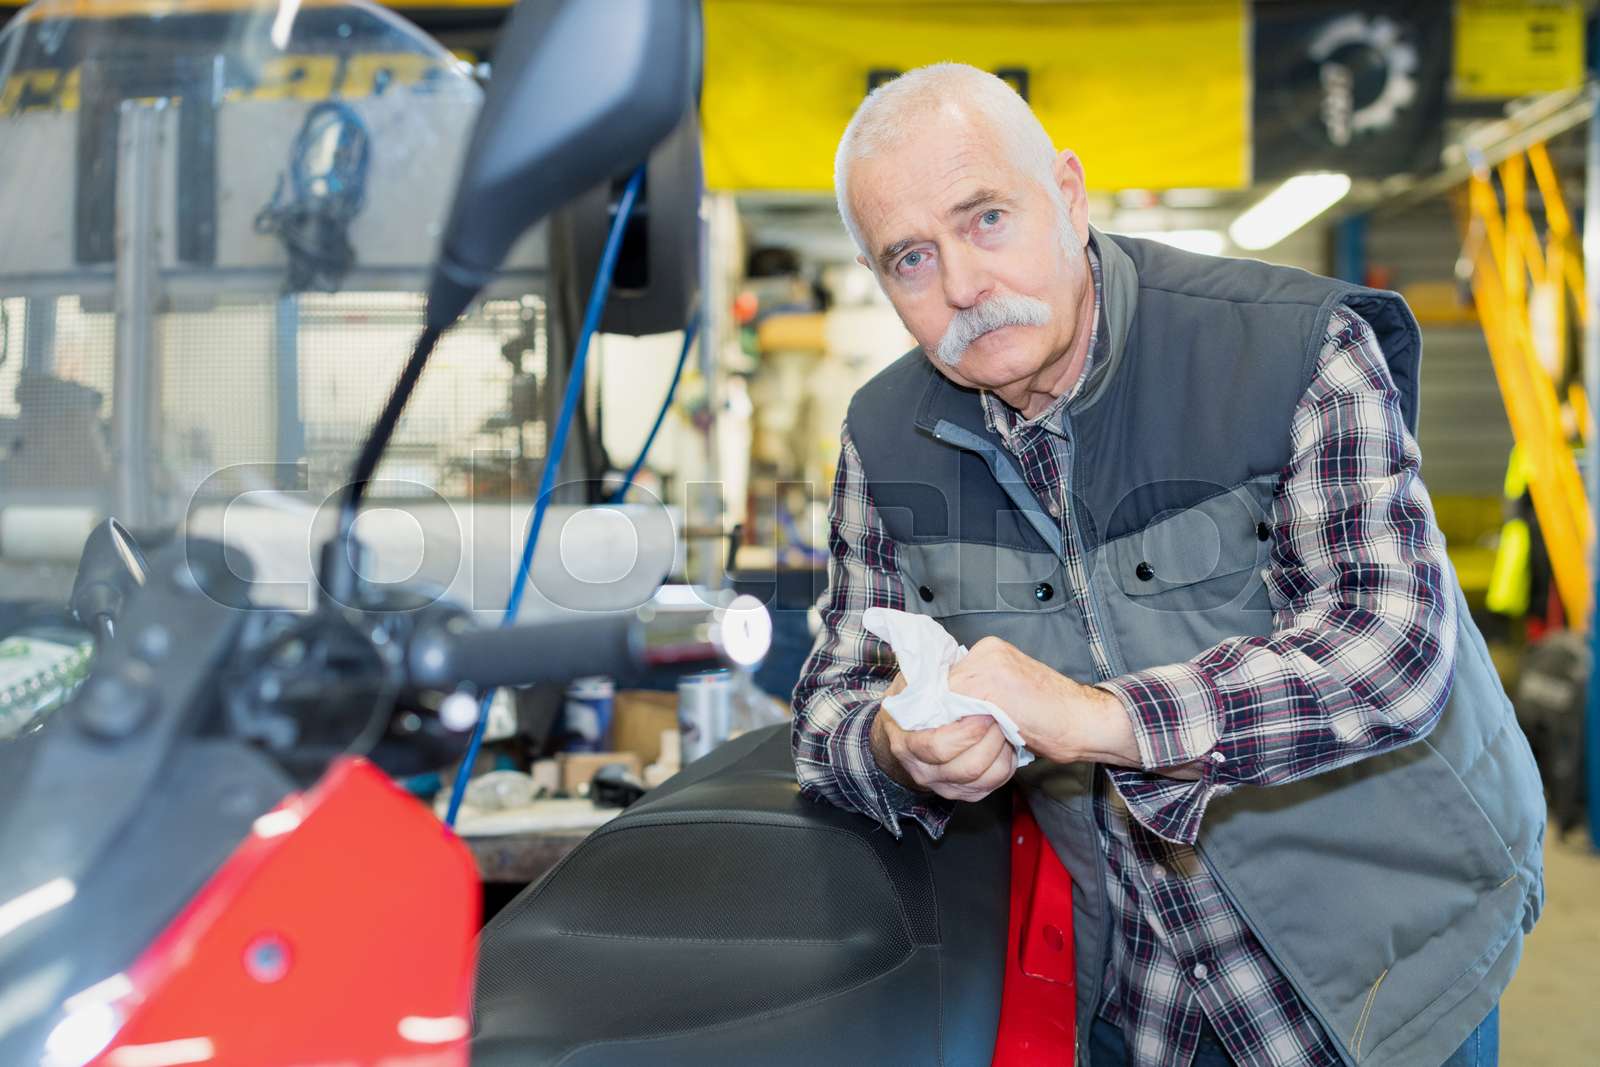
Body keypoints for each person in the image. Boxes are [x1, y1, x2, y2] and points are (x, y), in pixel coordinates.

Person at [792, 63, 1543, 1067]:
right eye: (910, 259)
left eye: (985, 219)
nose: (964, 285)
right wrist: (896, 746)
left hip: (1382, 964)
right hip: (1134, 992)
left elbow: (1389, 646)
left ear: (1065, 192)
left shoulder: (1292, 346)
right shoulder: (883, 439)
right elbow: (826, 710)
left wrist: (1099, 716)